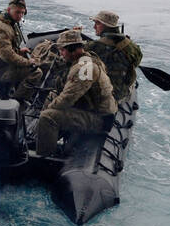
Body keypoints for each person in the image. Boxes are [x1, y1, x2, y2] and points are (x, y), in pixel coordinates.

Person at [33, 29, 117, 158]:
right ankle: (43, 137)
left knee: (48, 116)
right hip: (92, 110)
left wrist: (48, 112)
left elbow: (67, 98)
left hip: (99, 119)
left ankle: (45, 157)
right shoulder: (88, 58)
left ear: (73, 49)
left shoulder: (84, 68)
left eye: (62, 50)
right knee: (52, 96)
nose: (61, 54)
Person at [0, 0, 43, 101]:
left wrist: (19, 51)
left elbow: (4, 50)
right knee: (36, 73)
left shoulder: (9, 23)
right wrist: (28, 62)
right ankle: (17, 101)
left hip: (0, 64)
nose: (20, 16)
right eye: (17, 12)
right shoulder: (1, 28)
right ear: (8, 10)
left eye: (22, 13)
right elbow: (7, 56)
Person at [87, 10, 143, 101]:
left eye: (97, 23)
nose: (94, 27)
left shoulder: (94, 46)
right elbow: (136, 62)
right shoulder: (131, 46)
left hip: (103, 95)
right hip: (122, 92)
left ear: (106, 26)